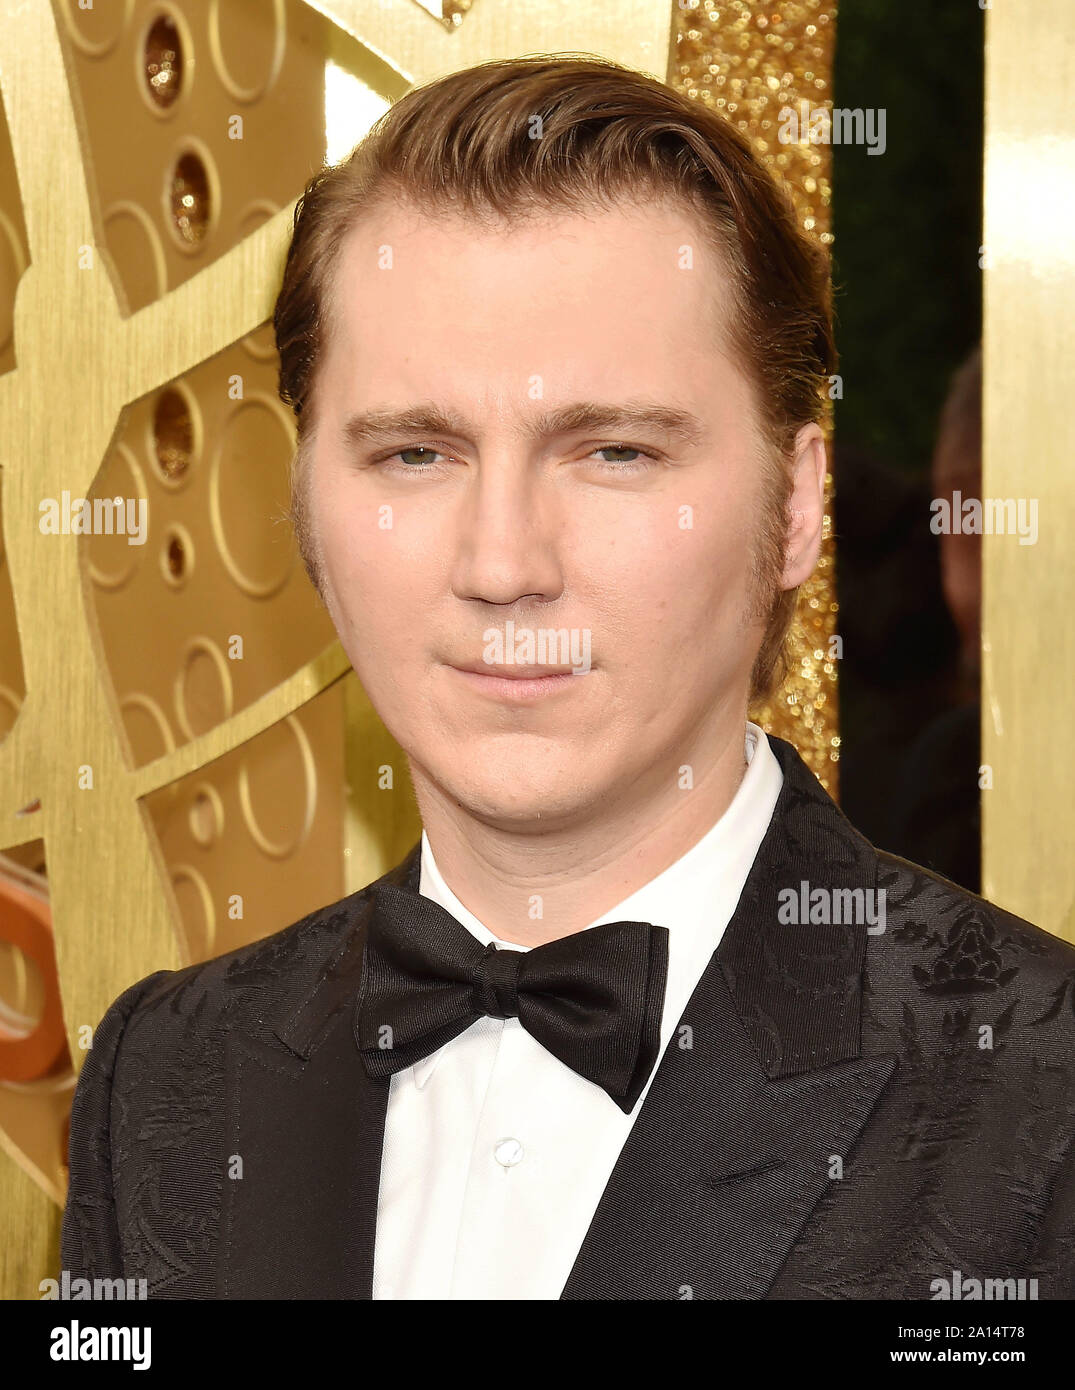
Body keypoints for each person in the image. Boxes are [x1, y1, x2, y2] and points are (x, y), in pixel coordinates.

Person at [61, 55, 1075, 1300]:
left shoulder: (1039, 1091)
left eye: (612, 450)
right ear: (303, 505)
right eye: (416, 452)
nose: (501, 565)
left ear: (798, 504)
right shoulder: (162, 1071)